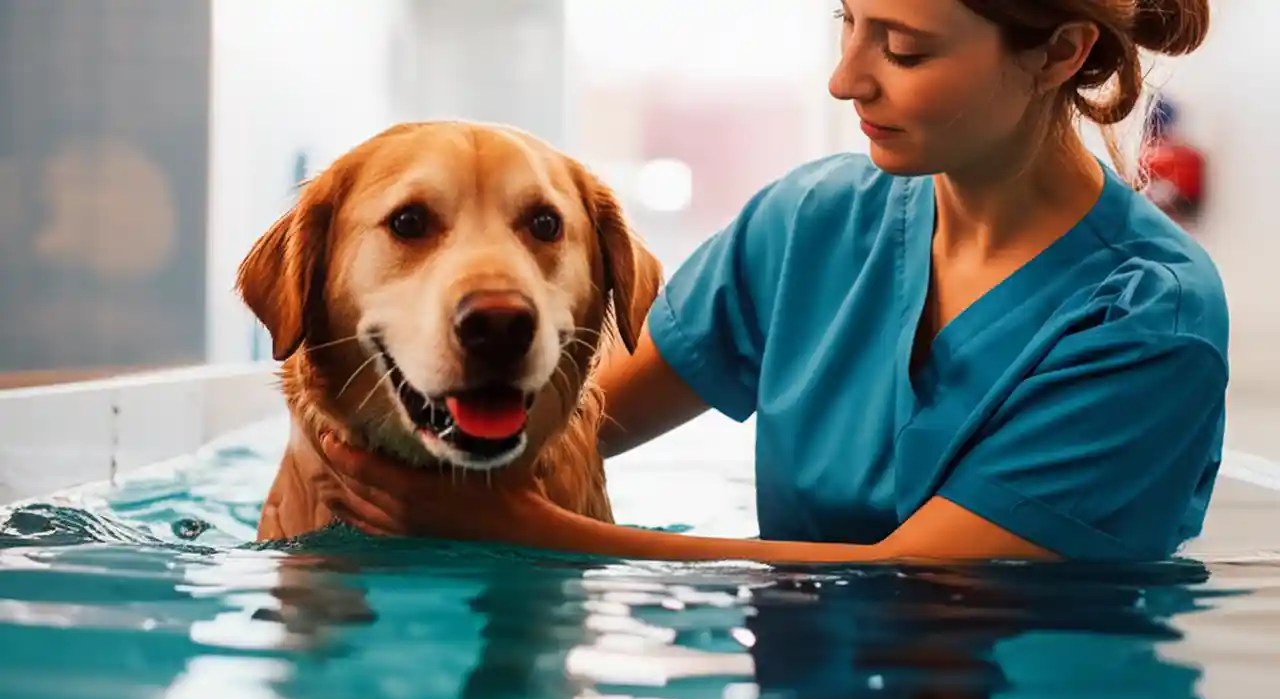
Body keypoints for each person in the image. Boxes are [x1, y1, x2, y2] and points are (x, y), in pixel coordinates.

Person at [316, 0, 1228, 564]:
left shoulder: (1150, 319)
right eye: (849, 24)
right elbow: (571, 422)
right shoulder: (810, 223)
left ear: (1060, 53)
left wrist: (529, 536)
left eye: (903, 49)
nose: (846, 80)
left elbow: (932, 587)